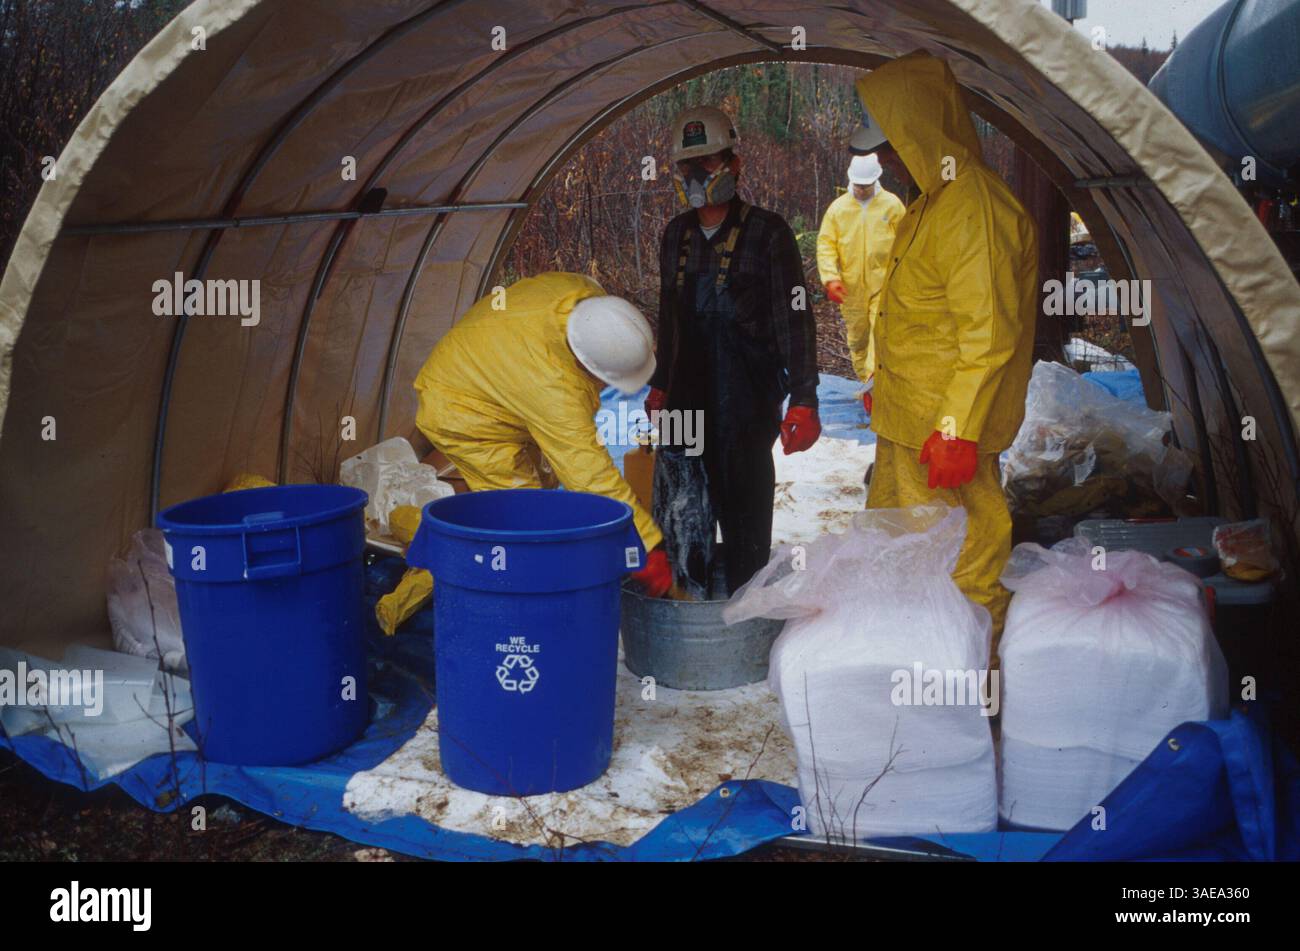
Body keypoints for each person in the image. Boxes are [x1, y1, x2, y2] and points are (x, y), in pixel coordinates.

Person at [854, 51, 1039, 654]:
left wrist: (958, 428)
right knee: (903, 555)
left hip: (944, 435)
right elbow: (918, 319)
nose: (882, 160)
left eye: (889, 146)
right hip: (910, 426)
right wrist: (886, 383)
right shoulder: (933, 202)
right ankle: (915, 681)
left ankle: (969, 700)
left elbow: (989, 333)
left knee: (964, 566)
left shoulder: (972, 207)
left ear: (922, 134)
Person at [645, 106, 821, 595]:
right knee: (682, 509)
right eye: (688, 166)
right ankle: (684, 605)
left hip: (746, 399)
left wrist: (805, 396)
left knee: (744, 508)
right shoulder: (675, 235)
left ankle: (746, 607)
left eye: (708, 162)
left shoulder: (769, 233)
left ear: (734, 164)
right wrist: (660, 383)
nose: (698, 175)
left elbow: (796, 318)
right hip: (685, 396)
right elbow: (669, 315)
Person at [413, 271, 671, 596]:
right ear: (584, 363)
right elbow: (590, 477)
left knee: (546, 491)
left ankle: (537, 576)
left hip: (490, 367)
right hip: (462, 411)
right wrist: (647, 545)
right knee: (523, 513)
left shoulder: (583, 296)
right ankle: (515, 598)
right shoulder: (552, 389)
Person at [816, 152, 905, 413]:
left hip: (884, 286)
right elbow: (826, 246)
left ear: (877, 179)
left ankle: (874, 386)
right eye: (858, 185)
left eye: (866, 186)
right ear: (850, 181)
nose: (862, 190)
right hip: (850, 289)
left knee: (880, 334)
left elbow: (906, 243)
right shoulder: (838, 209)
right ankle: (867, 382)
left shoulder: (892, 206)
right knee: (858, 341)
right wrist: (831, 278)